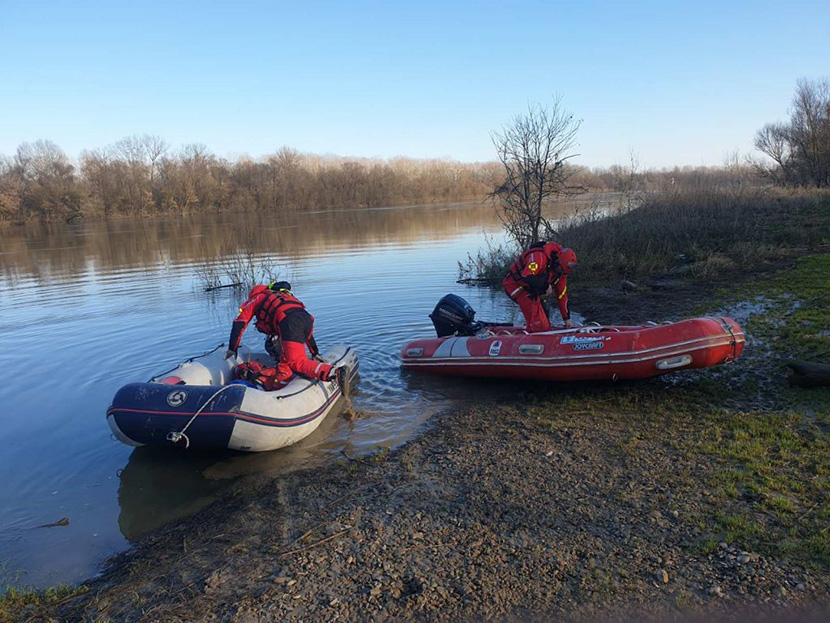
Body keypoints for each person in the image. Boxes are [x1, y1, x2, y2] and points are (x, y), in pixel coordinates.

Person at [224, 281, 347, 391]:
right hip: (306, 319)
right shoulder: (284, 296)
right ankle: (281, 383)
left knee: (296, 362)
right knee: (287, 361)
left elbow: (240, 323)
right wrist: (314, 352)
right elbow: (302, 328)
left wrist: (232, 347)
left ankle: (333, 372)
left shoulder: (256, 298)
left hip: (289, 323)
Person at [502, 241, 578, 333]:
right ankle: (534, 334)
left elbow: (562, 295)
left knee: (544, 314)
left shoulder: (561, 272)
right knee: (539, 323)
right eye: (561, 269)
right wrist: (545, 286)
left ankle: (534, 331)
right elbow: (527, 276)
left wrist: (566, 319)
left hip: (531, 289)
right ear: (557, 261)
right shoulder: (539, 258)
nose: (561, 273)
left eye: (564, 272)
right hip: (515, 286)